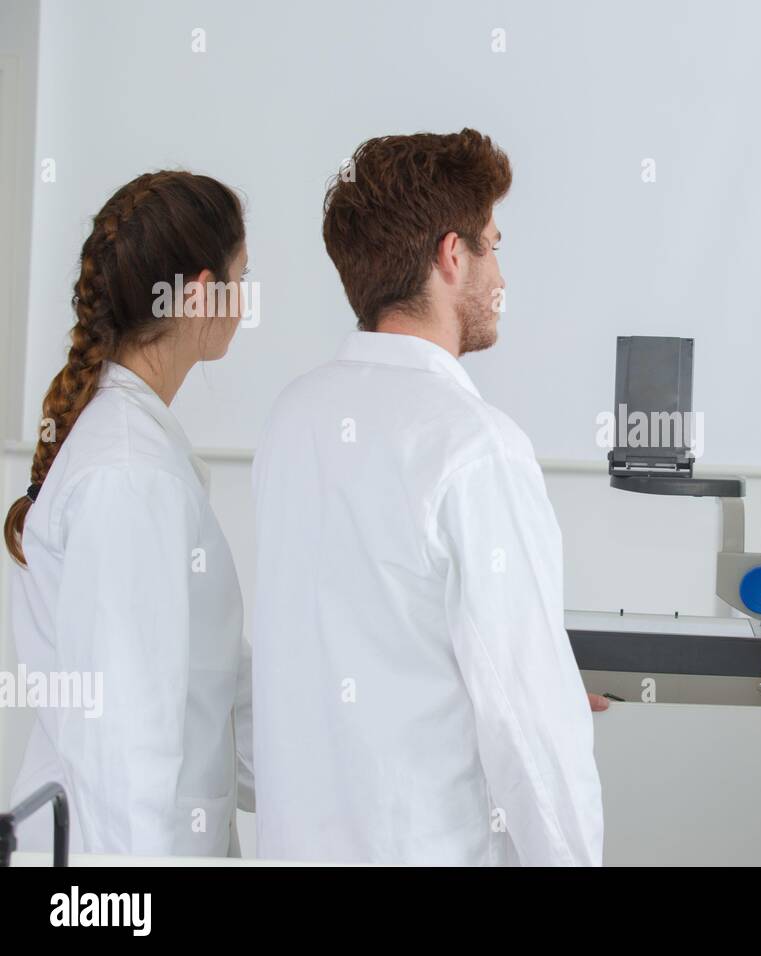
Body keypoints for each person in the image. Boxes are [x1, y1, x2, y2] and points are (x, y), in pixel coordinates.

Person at [250, 130, 603, 865]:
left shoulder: (293, 419)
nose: (501, 271)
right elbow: (529, 729)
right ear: (452, 255)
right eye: (493, 246)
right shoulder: (475, 446)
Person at [4, 171, 255, 857]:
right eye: (243, 279)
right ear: (202, 293)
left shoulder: (137, 451)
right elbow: (124, 749)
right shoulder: (129, 474)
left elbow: (223, 701)